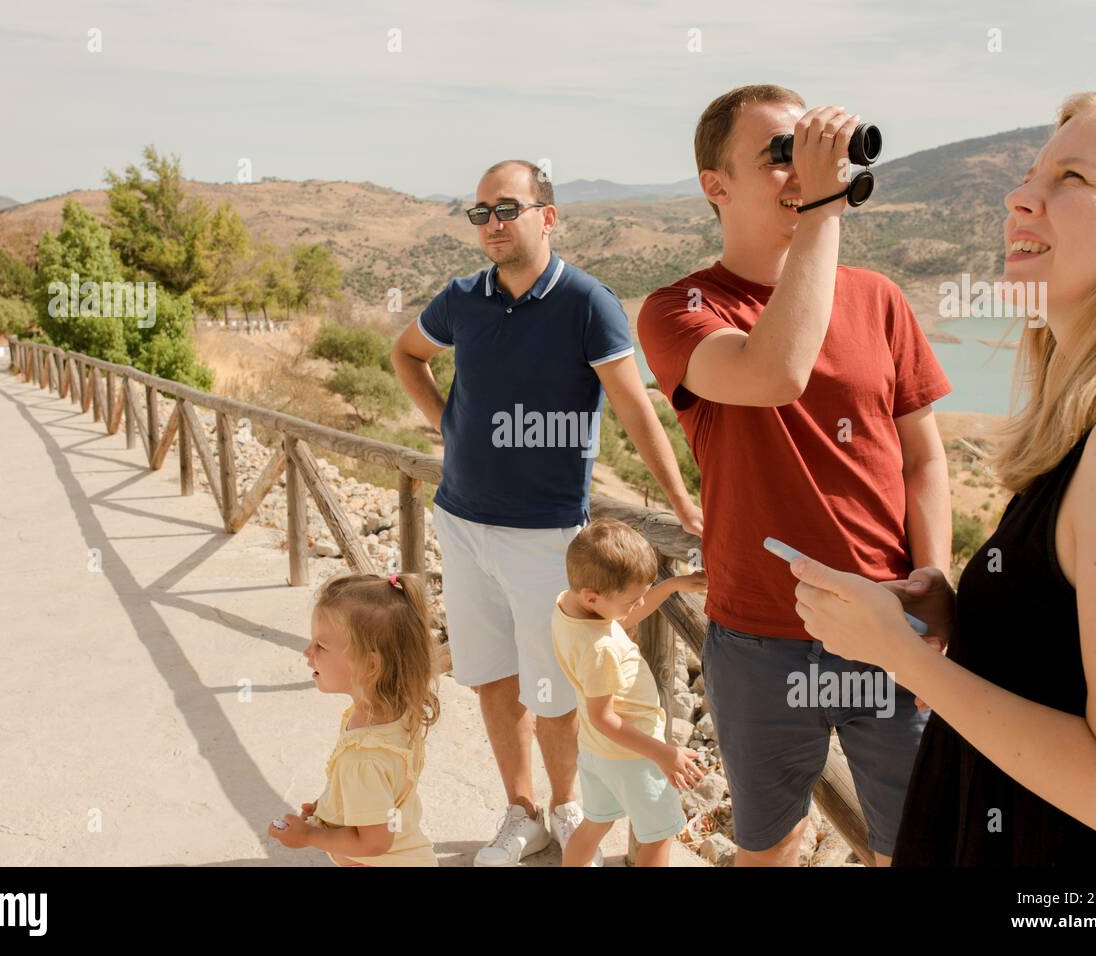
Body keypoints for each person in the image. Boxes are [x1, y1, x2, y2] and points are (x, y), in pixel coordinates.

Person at [786, 91, 1096, 865]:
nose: (1020, 196)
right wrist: (966, 618)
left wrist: (897, 656)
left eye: (1072, 177)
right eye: (1032, 173)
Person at [637, 85, 953, 866]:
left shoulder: (878, 299)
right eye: (781, 153)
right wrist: (823, 215)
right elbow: (775, 370)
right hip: (760, 639)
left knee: (913, 846)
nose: (805, 168)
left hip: (891, 628)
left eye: (810, 149)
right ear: (717, 186)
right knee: (769, 847)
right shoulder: (679, 309)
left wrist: (935, 571)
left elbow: (923, 457)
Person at [391, 160, 703, 866]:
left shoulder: (589, 303)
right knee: (493, 674)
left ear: (548, 216)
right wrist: (450, 427)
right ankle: (522, 809)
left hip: (547, 534)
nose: (493, 224)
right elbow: (407, 355)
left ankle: (568, 809)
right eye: (481, 214)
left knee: (554, 685)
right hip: (461, 520)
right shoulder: (462, 299)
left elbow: (633, 407)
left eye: (508, 208)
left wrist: (683, 500)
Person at [551, 518, 709, 866]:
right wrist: (663, 753)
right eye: (632, 600)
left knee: (594, 824)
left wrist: (673, 585)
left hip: (596, 752)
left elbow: (616, 618)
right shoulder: (601, 649)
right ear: (593, 597)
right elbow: (603, 717)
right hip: (633, 756)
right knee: (659, 836)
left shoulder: (569, 607)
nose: (637, 607)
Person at [268, 572, 441, 866]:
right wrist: (333, 806)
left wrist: (308, 836)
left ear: (370, 664)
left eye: (321, 646)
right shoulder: (392, 716)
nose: (307, 652)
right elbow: (385, 792)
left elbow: (374, 842)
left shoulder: (363, 758)